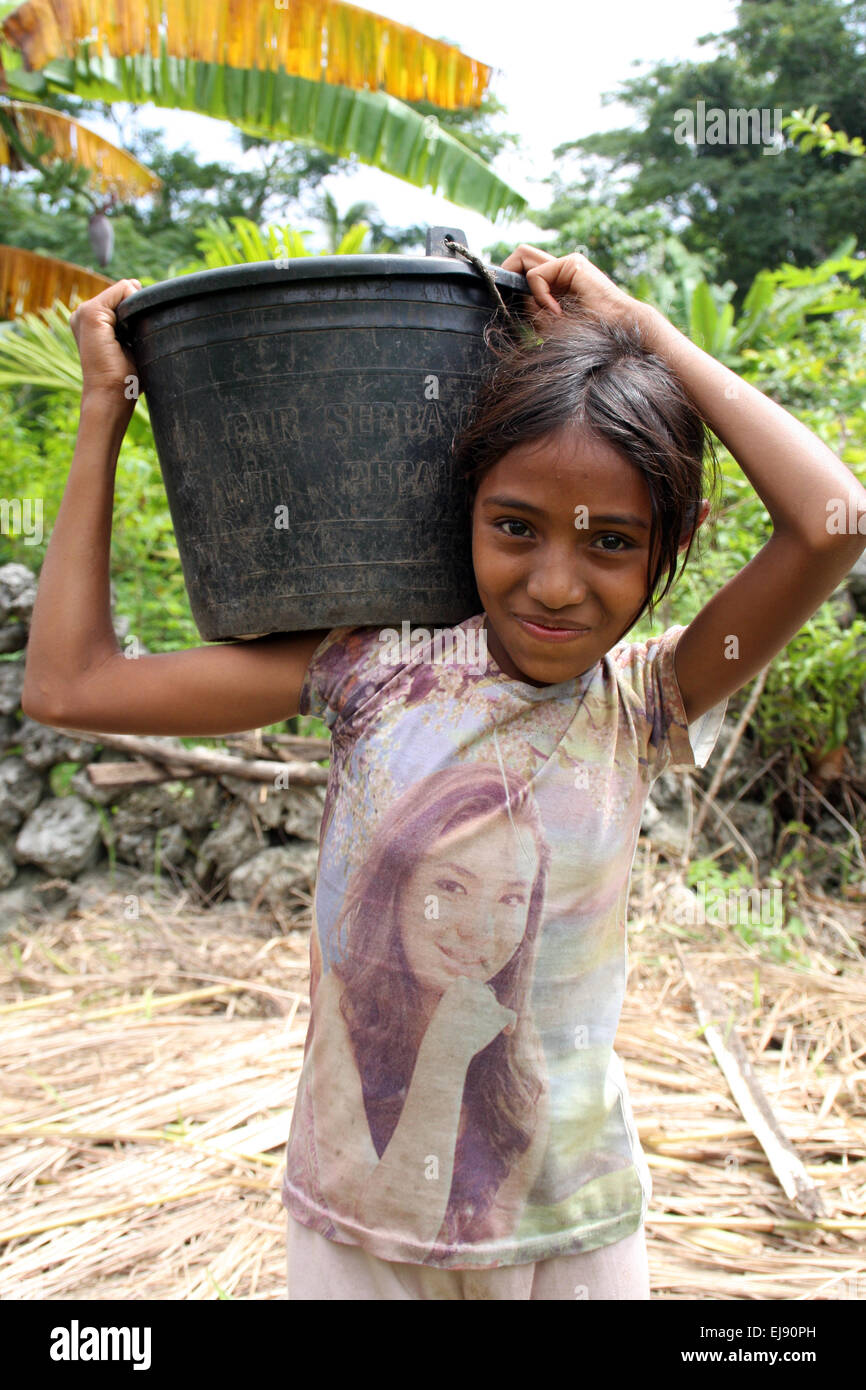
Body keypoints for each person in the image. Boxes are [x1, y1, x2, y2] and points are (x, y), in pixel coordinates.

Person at [21, 245, 866, 1301]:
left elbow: (834, 518)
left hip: (568, 1232)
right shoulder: (369, 670)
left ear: (670, 545)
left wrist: (640, 329)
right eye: (514, 526)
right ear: (461, 506)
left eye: (610, 541)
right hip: (360, 1235)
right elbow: (70, 684)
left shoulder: (646, 701)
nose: (554, 583)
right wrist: (106, 407)